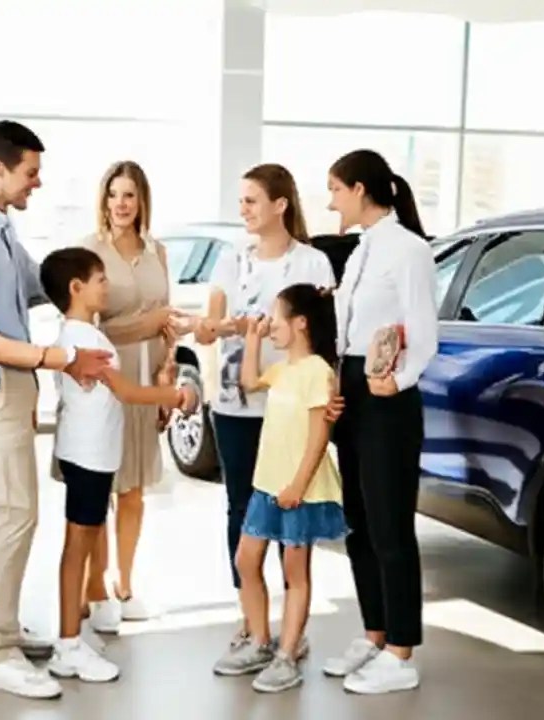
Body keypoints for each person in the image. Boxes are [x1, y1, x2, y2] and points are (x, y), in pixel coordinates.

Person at [0, 120, 112, 700]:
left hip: (13, 388)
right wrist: (58, 357)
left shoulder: (2, 231)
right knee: (17, 510)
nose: (38, 183)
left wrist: (87, 272)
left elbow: (37, 286)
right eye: (31, 173)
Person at [194, 164, 335, 669]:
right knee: (243, 510)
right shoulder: (232, 261)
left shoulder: (315, 263)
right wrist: (222, 326)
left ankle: (291, 632)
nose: (244, 210)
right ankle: (252, 621)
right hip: (236, 403)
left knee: (291, 514)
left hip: (293, 412)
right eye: (241, 201)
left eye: (252, 200)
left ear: (280, 204)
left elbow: (327, 334)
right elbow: (206, 329)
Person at [40, 247, 197, 684]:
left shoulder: (70, 335)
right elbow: (128, 392)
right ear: (77, 288)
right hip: (89, 458)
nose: (107, 287)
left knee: (79, 544)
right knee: (77, 547)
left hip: (83, 453)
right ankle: (69, 644)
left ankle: (70, 638)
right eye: (100, 280)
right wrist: (179, 396)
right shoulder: (86, 340)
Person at [322, 149, 437, 695]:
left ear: (361, 190)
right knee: (359, 524)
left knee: (391, 526)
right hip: (352, 389)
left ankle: (402, 651)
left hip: (387, 397)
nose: (330, 202)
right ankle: (374, 634)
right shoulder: (363, 249)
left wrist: (401, 379)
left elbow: (423, 330)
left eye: (335, 190)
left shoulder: (409, 250)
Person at [215, 284, 347, 692]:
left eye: (276, 318)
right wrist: (252, 340)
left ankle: (288, 653)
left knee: (295, 572)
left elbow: (318, 438)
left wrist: (298, 486)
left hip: (297, 489)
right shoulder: (284, 370)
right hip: (266, 484)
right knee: (246, 559)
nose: (271, 325)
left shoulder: (318, 373)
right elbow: (250, 381)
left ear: (301, 323)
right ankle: (260, 640)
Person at [75, 161, 184, 632]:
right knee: (101, 487)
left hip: (147, 379)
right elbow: (90, 326)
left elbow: (169, 319)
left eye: (130, 196)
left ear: (142, 202)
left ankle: (125, 585)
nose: (121, 204)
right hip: (105, 380)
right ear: (104, 200)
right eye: (114, 195)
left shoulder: (157, 251)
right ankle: (93, 589)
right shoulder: (89, 251)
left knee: (135, 490)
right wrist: (147, 324)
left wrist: (167, 368)